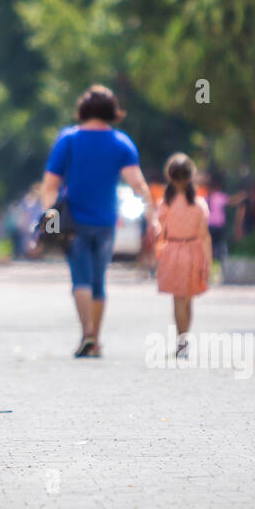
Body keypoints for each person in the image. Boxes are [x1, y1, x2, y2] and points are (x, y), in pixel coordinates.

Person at [41, 85, 159, 358]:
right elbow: (138, 184)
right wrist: (151, 215)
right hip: (106, 222)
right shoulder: (121, 143)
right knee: (98, 280)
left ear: (82, 109)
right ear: (111, 111)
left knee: (79, 278)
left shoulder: (68, 140)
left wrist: (50, 214)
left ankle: (87, 334)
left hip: (74, 222)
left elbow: (49, 185)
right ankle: (95, 339)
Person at [156, 154, 212, 359]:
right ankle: (184, 340)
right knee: (188, 300)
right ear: (191, 176)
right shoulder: (198, 205)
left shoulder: (165, 203)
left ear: (169, 176)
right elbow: (205, 236)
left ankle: (181, 342)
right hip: (193, 250)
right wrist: (209, 261)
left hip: (172, 251)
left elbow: (159, 230)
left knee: (177, 299)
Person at [201, 172, 229, 265]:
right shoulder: (220, 196)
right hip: (219, 226)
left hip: (209, 225)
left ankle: (209, 264)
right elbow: (231, 201)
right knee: (220, 246)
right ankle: (220, 264)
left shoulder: (206, 197)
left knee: (209, 246)